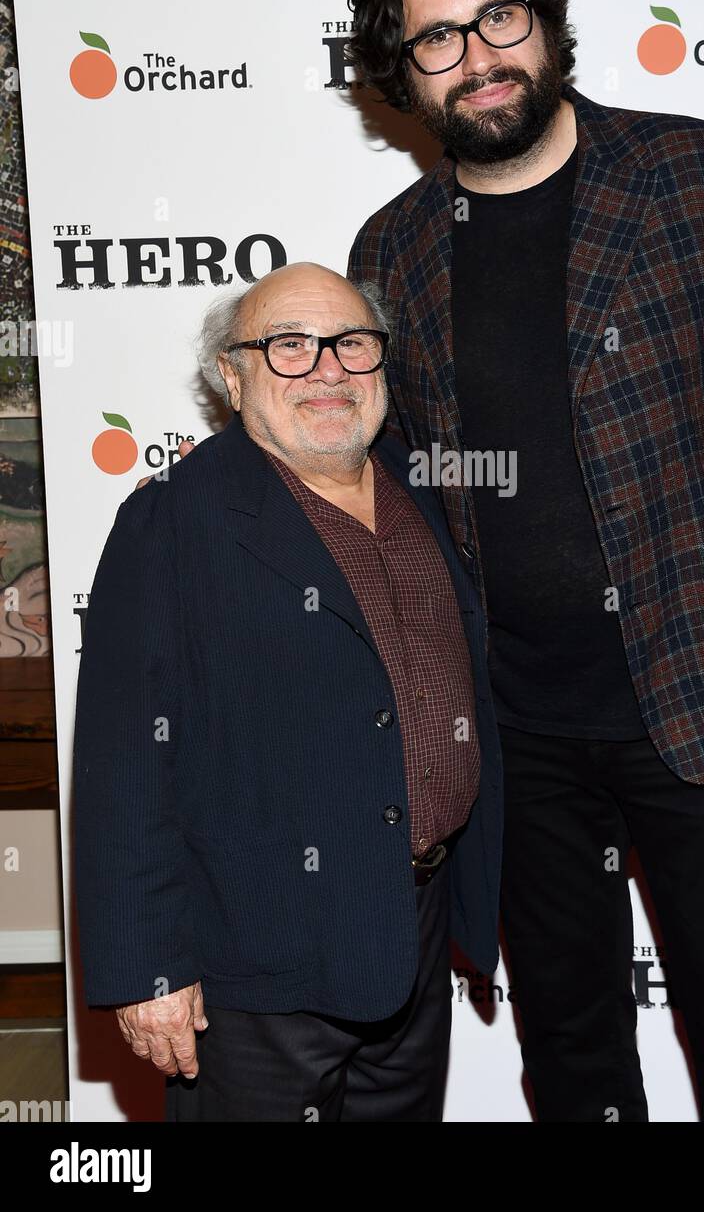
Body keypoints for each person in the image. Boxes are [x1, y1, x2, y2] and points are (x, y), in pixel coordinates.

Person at [340, 0, 704, 1121]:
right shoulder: (394, 250)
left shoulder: (691, 178)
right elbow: (401, 496)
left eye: (498, 17)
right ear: (400, 72)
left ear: (545, 17)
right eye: (437, 39)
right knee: (573, 1064)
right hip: (518, 739)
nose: (478, 59)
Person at [73, 263, 502, 1122]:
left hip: (412, 930)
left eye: (351, 344)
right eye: (289, 348)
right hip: (253, 958)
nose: (328, 369)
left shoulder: (424, 490)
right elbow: (124, 764)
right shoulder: (173, 521)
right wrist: (147, 968)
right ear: (231, 377)